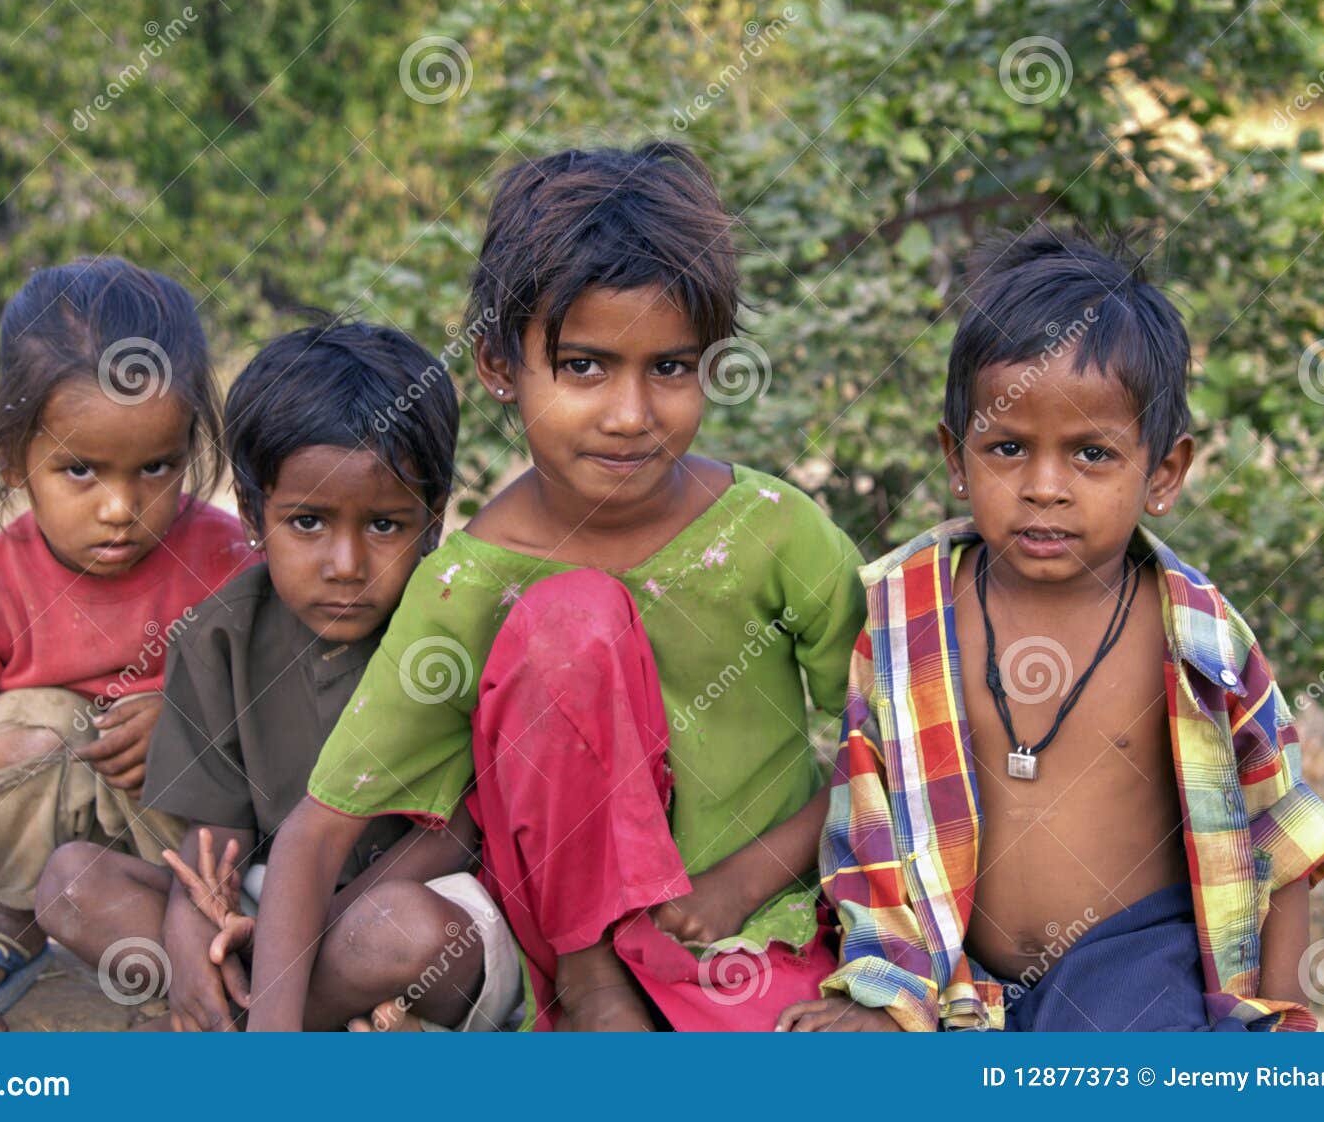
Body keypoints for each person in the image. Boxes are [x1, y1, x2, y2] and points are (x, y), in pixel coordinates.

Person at [243, 142, 866, 1032]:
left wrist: (754, 873)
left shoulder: (773, 531)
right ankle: (594, 988)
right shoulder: (469, 581)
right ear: (500, 365)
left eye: (670, 368)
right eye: (583, 367)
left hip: (759, 928)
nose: (629, 414)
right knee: (568, 619)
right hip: (550, 954)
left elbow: (889, 742)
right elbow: (317, 832)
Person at [782, 227, 1324, 1033]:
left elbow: (1279, 833)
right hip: (952, 970)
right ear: (957, 457)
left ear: (1163, 473)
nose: (1044, 487)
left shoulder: (1195, 636)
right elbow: (869, 821)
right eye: (1008, 448)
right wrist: (887, 988)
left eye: (1092, 454)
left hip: (1134, 960)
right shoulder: (909, 616)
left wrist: (1274, 1020)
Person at [36, 316, 524, 1032]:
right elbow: (211, 840)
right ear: (253, 514)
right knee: (70, 884)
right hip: (271, 913)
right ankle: (280, 1015)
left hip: (430, 909)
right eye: (309, 523)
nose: (347, 564)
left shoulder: (456, 628)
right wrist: (191, 932)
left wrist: (291, 948)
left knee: (401, 929)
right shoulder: (219, 637)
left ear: (433, 518)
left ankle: (255, 1028)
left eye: (385, 525)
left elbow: (455, 835)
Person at [0, 257, 252, 1031]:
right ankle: (21, 913)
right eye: (80, 470)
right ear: (17, 458)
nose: (121, 507)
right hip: (68, 865)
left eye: (157, 467)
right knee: (20, 725)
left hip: (204, 862)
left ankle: (224, 954)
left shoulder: (229, 561)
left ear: (189, 447)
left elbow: (300, 699)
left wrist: (188, 716)